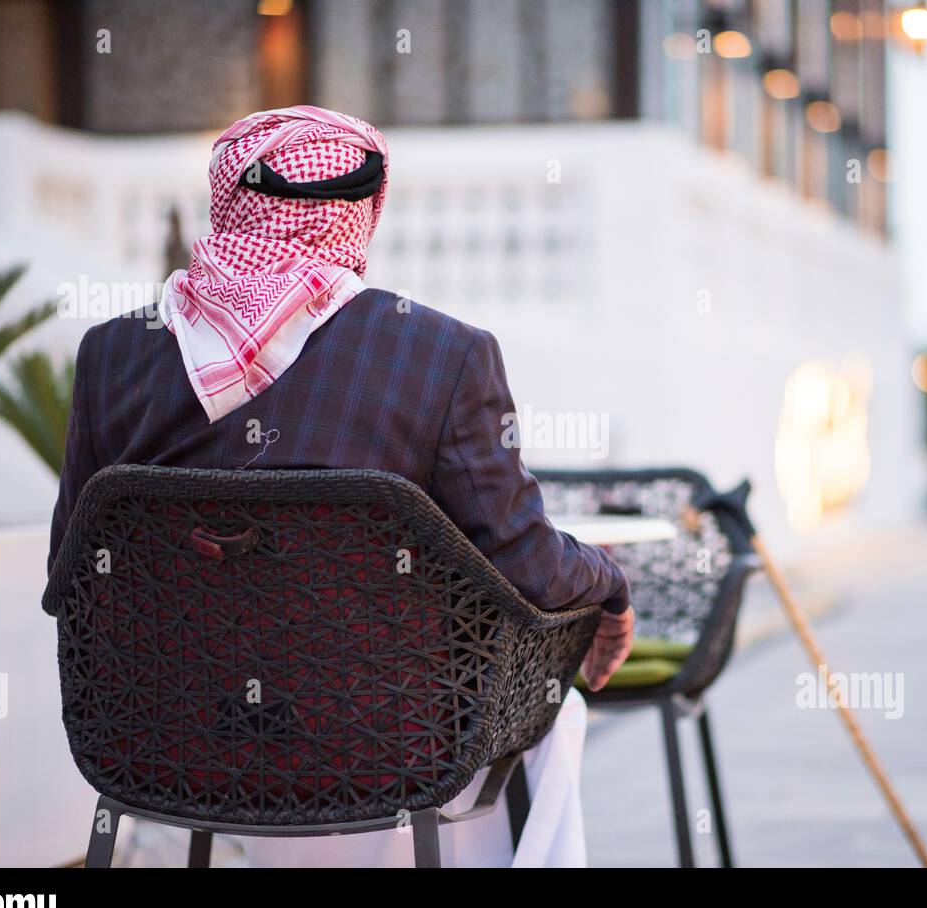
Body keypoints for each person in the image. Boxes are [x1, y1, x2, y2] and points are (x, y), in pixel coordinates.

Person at [47, 106, 634, 867]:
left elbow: (68, 576)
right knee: (546, 709)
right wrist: (609, 585)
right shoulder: (441, 357)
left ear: (228, 200)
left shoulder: (113, 355)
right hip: (387, 753)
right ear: (363, 208)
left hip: (168, 748)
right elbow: (528, 567)